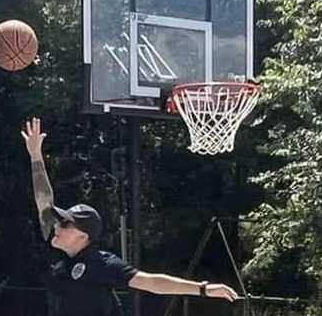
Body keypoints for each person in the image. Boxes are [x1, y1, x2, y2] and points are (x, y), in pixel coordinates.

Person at [22, 117, 240, 315]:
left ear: (84, 236)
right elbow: (45, 203)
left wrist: (202, 289)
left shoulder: (102, 263)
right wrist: (35, 156)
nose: (57, 226)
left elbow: (151, 282)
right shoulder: (58, 252)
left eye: (66, 224)